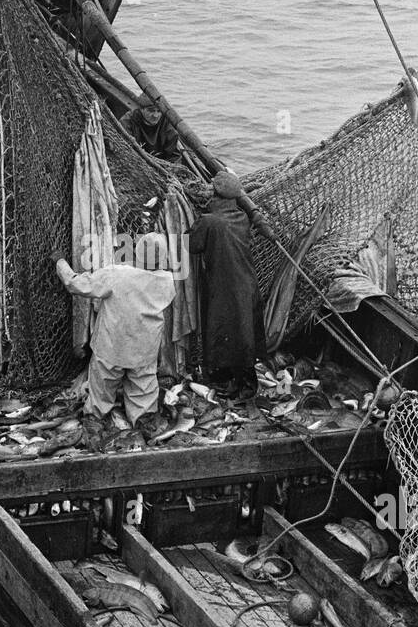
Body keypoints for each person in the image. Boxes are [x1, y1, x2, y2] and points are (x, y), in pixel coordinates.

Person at [53, 234, 176, 426]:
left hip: (111, 349)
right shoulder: (167, 281)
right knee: (143, 396)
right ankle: (144, 425)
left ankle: (95, 422)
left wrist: (60, 262)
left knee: (100, 397)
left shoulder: (116, 274)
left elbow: (76, 284)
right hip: (143, 353)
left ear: (137, 252)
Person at [188, 170, 267, 400]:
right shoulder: (242, 218)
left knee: (225, 331)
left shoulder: (209, 221)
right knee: (243, 334)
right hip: (247, 284)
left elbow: (192, 244)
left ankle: (244, 387)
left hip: (225, 288)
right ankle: (239, 383)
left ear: (216, 194)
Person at [120, 93, 182, 162]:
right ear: (141, 109)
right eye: (151, 110)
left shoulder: (168, 126)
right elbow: (125, 150)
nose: (156, 115)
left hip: (161, 164)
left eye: (159, 111)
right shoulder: (128, 121)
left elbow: (174, 157)